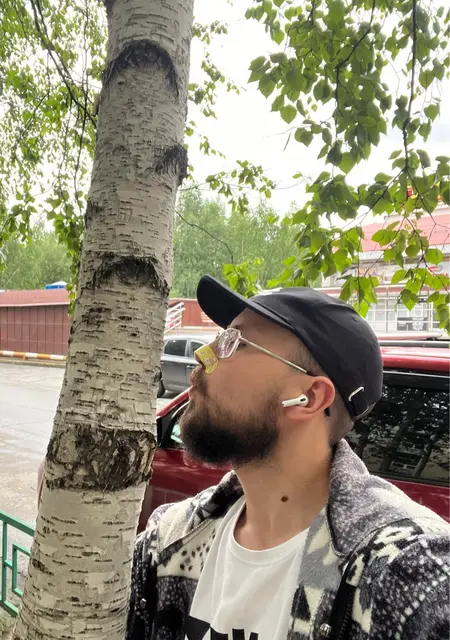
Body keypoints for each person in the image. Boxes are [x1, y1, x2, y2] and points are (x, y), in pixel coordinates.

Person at [127, 275, 449, 640]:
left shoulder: (409, 572)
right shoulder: (169, 539)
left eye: (234, 342)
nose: (203, 355)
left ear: (310, 398)